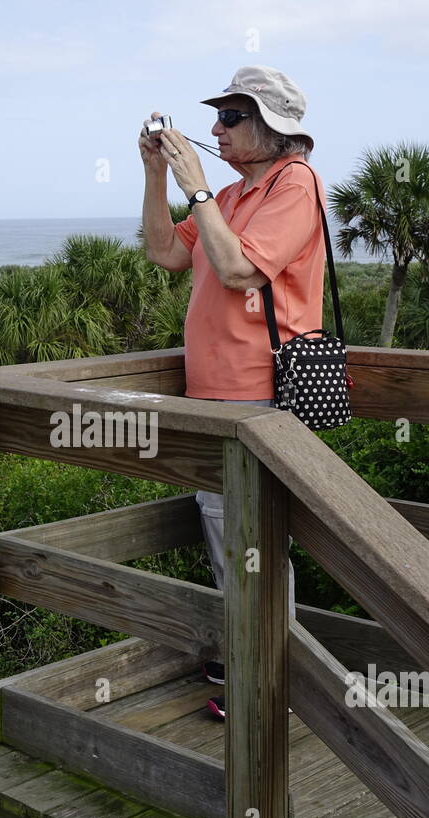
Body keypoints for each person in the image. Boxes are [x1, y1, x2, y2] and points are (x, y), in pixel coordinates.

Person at [138, 65, 326, 720]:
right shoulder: (232, 193)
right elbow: (164, 253)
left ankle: (271, 682)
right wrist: (159, 175)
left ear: (270, 127)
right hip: (214, 393)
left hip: (258, 391)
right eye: (216, 117)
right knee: (229, 535)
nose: (215, 129)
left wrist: (195, 191)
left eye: (230, 117)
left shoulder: (293, 186)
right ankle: (253, 656)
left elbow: (241, 268)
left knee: (251, 540)